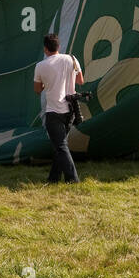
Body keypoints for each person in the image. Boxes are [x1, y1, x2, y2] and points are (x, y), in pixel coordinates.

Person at [33, 32, 84, 184]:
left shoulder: (41, 66)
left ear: (45, 49)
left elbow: (37, 90)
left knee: (60, 146)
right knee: (60, 145)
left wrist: (48, 82)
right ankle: (53, 179)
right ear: (59, 47)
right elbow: (80, 80)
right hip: (71, 110)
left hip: (54, 111)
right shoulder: (71, 59)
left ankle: (73, 180)